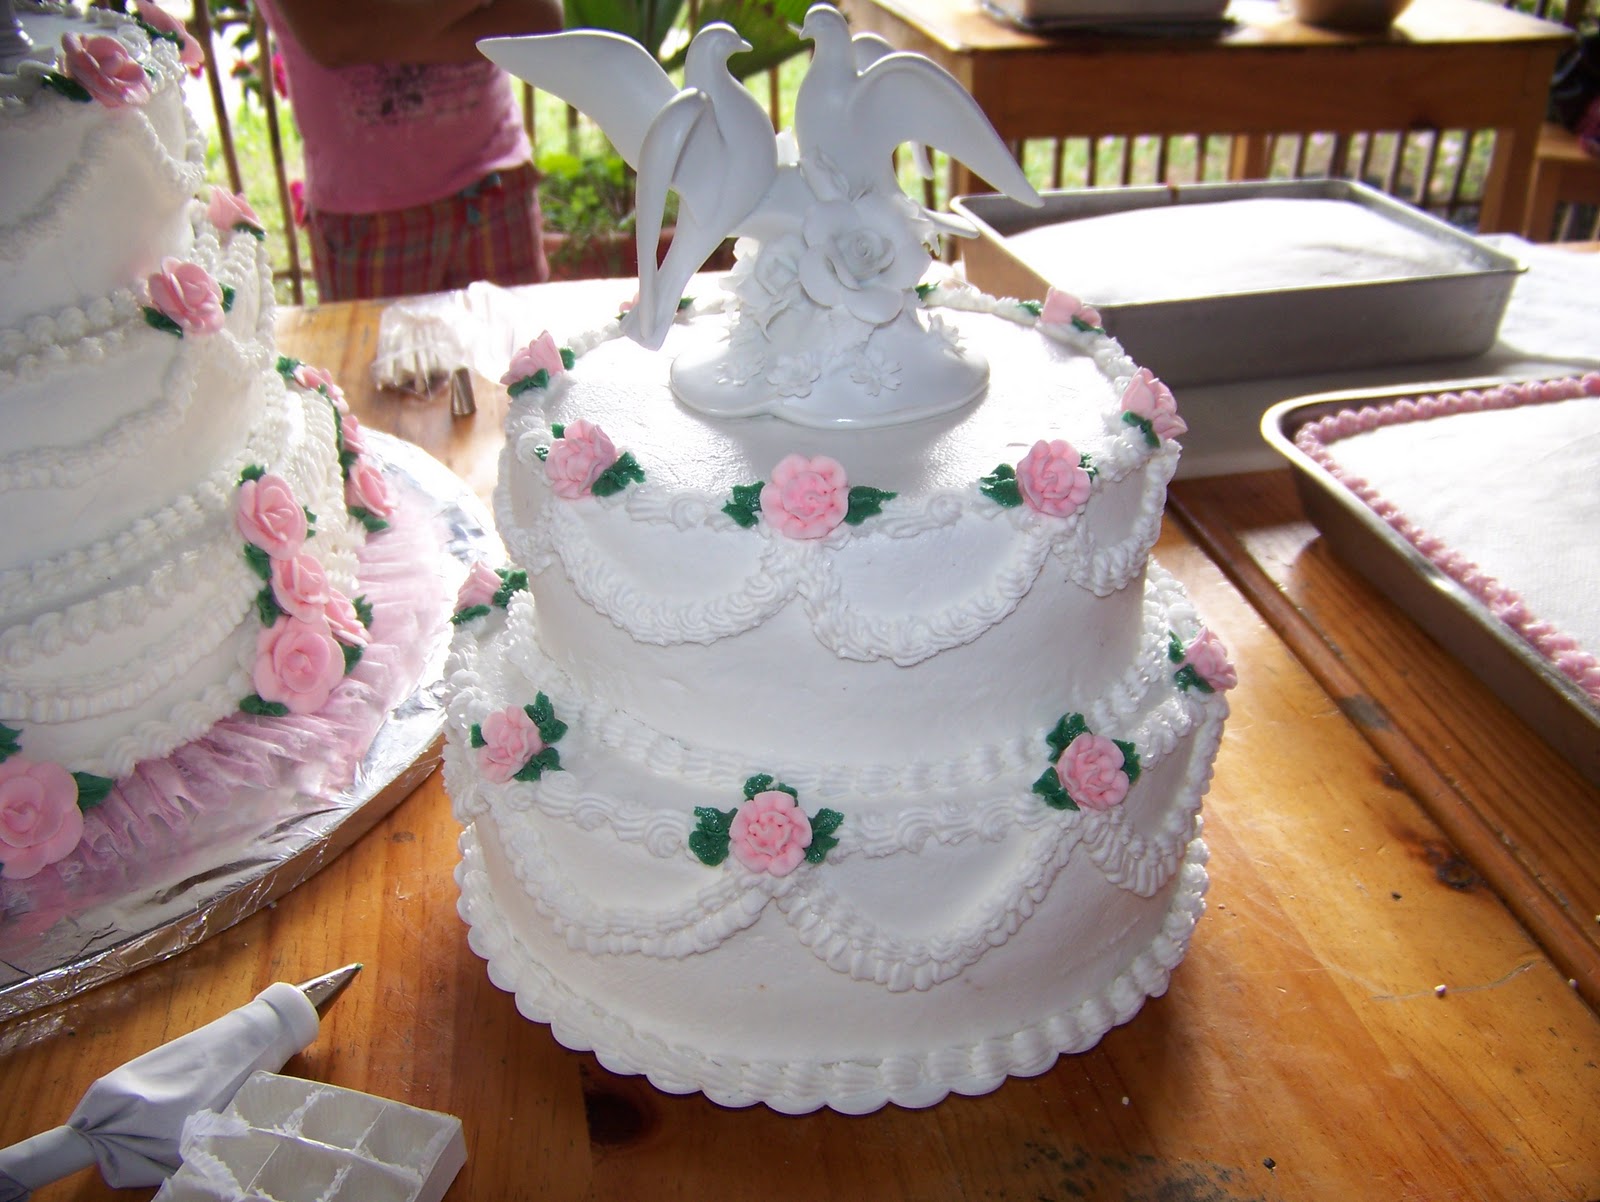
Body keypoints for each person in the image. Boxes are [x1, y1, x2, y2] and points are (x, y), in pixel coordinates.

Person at [256, 0, 563, 301]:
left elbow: (538, 19)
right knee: (381, 353)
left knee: (515, 348)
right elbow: (335, 37)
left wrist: (379, 38)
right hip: (367, 217)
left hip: (492, 188)